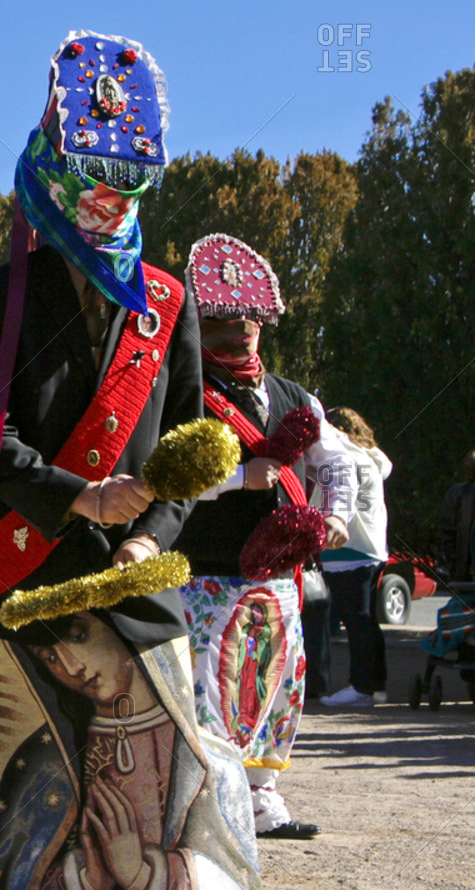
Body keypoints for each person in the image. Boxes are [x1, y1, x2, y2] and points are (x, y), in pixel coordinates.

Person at [0, 32, 260, 890]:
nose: (113, 199)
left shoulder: (168, 302)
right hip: (25, 563)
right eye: (92, 175)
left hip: (138, 577)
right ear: (48, 170)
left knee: (152, 778)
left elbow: (200, 444)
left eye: (130, 179)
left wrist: (156, 529)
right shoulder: (2, 295)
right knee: (10, 768)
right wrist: (79, 496)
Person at [175, 234, 354, 839]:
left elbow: (339, 464)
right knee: (211, 689)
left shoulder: (296, 397)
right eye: (228, 317)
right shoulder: (182, 397)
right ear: (202, 323)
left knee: (276, 683)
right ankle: (208, 802)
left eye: (253, 317)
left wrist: (334, 513)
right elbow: (161, 480)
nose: (244, 328)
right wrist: (236, 478)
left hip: (278, 578)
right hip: (206, 571)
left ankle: (261, 796)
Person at [313, 407, 392, 707]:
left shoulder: (346, 457)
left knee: (356, 621)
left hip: (349, 547)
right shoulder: (371, 457)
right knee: (367, 621)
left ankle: (361, 687)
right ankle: (376, 684)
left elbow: (334, 497)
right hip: (371, 546)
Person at [437, 450, 475, 583]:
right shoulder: (457, 495)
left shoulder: (456, 494)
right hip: (465, 572)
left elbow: (447, 533)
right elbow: (448, 533)